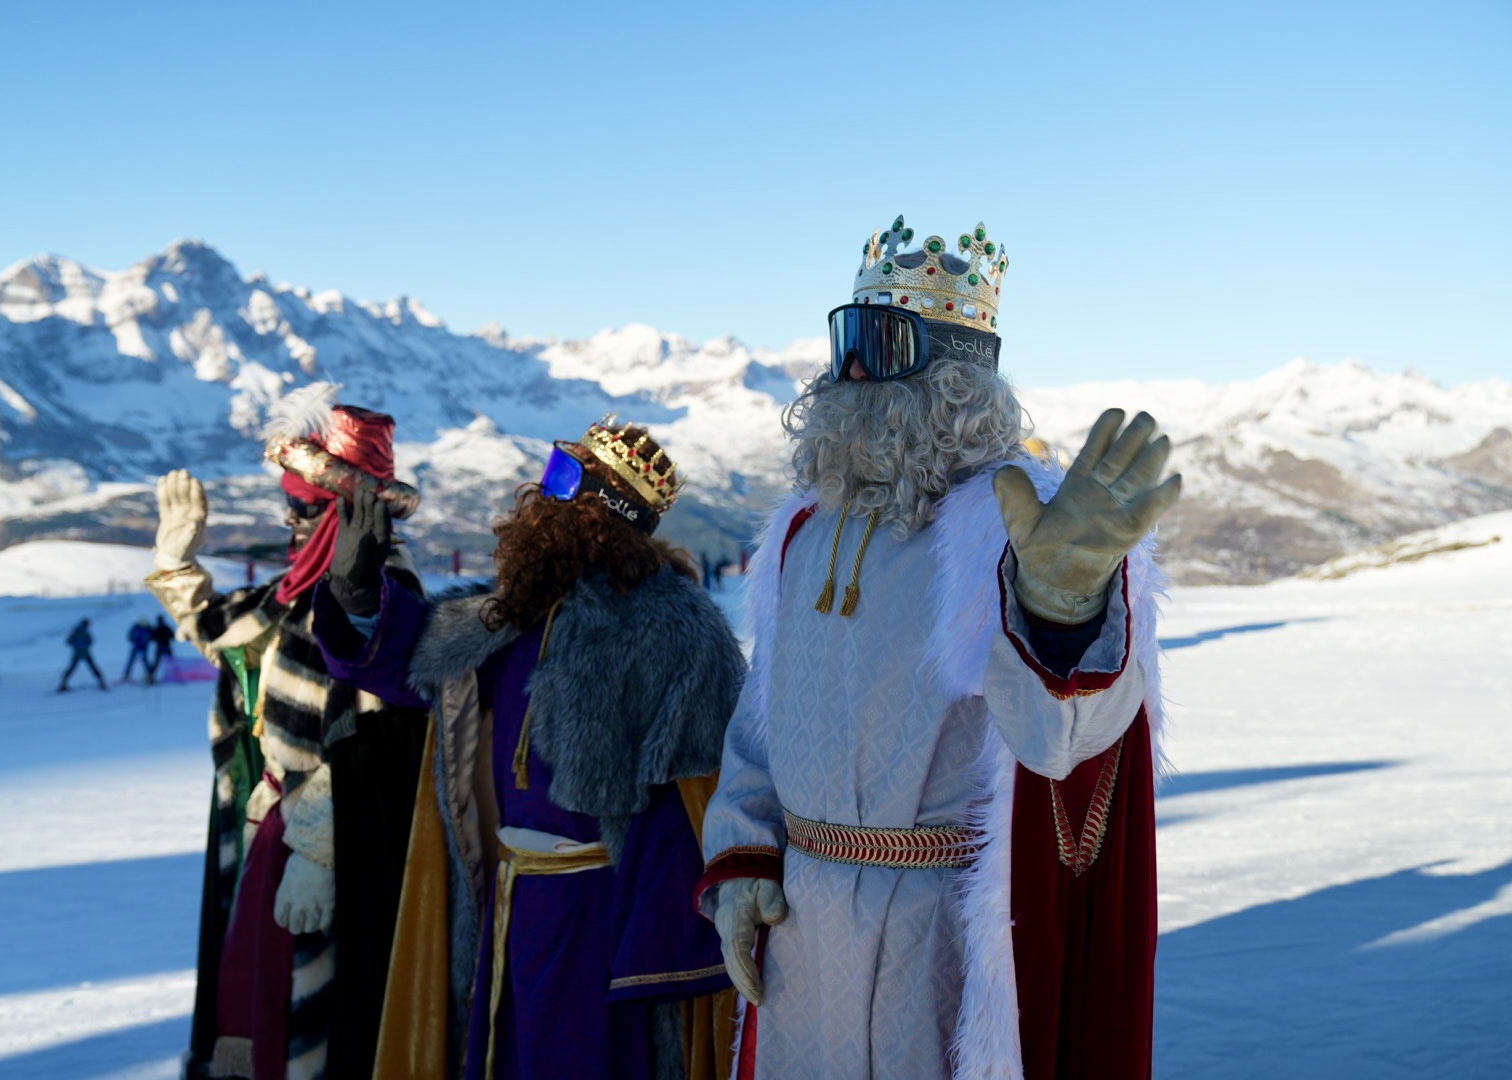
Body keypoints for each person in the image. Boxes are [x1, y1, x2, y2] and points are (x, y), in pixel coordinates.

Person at [697, 217, 1180, 1079]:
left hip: (938, 935)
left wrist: (1063, 609)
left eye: (877, 344)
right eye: (844, 339)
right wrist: (743, 861)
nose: (847, 371)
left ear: (954, 374)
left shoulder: (1013, 526)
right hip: (801, 934)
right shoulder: (802, 530)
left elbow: (1064, 744)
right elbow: (759, 727)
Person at [312, 416, 744, 1080]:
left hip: (599, 919)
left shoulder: (680, 631)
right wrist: (356, 590)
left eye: (563, 479)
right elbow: (410, 662)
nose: (541, 495)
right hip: (509, 905)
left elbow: (695, 804)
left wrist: (653, 958)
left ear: (604, 513)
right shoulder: (516, 611)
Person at [146, 385, 430, 1080]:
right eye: (289, 504)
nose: (290, 519)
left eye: (305, 506)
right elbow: (228, 638)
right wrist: (177, 565)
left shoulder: (381, 600)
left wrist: (318, 851)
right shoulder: (298, 587)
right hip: (274, 823)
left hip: (329, 835)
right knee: (253, 1003)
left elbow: (377, 738)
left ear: (344, 509)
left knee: (309, 1016)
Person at [57, 618, 108, 691]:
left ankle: (63, 684)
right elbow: (89, 642)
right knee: (93, 667)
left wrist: (78, 644)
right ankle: (102, 682)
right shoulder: (81, 632)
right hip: (83, 653)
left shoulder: (78, 631)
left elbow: (69, 641)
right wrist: (79, 644)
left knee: (72, 668)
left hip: (79, 653)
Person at [145, 614, 174, 683]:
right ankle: (151, 677)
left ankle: (173, 675)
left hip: (165, 646)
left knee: (169, 662)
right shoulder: (159, 628)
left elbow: (172, 636)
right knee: (158, 663)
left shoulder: (163, 628)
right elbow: (152, 637)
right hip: (162, 647)